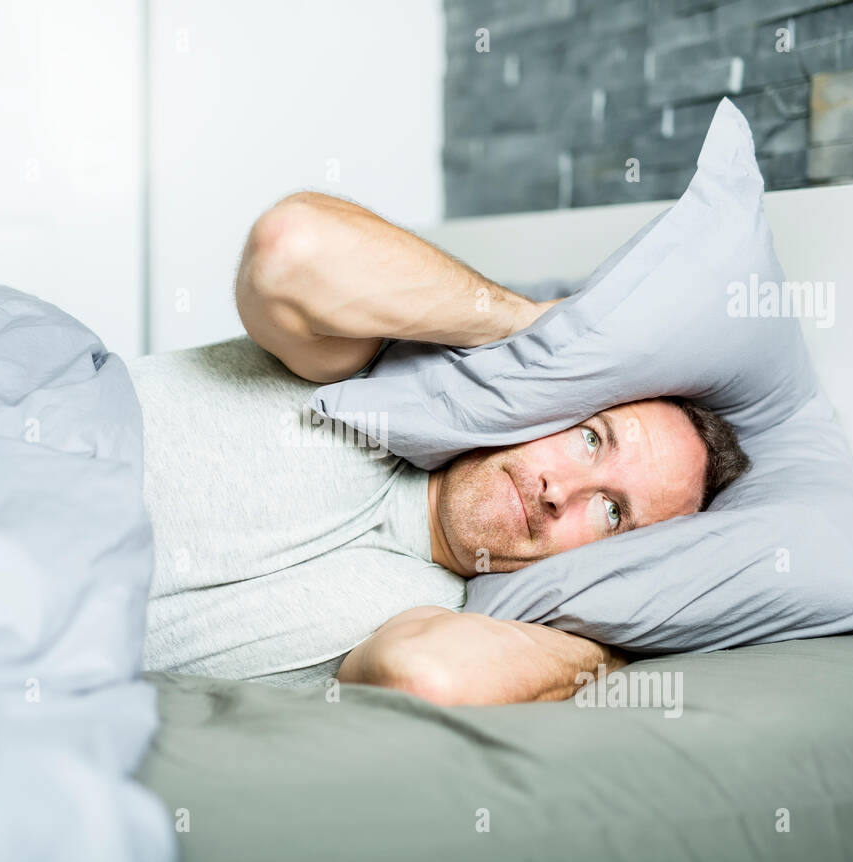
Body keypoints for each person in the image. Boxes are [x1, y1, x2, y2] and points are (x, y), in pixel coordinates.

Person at [131, 190, 750, 706]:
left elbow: (427, 676)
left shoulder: (429, 614)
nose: (560, 491)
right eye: (591, 440)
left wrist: (616, 642)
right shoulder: (361, 379)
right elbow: (289, 249)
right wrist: (533, 334)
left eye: (613, 513)